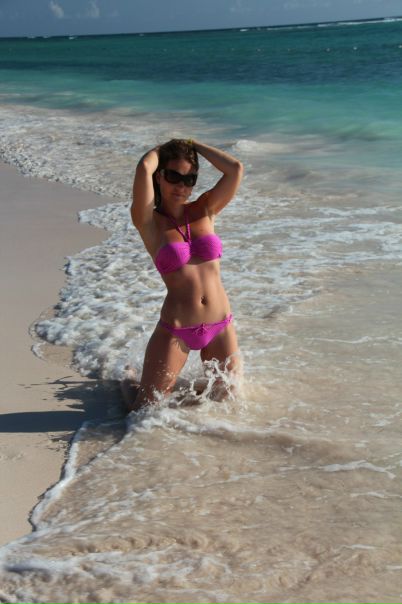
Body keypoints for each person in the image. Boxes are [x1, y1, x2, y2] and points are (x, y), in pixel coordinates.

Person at [122, 138, 243, 411]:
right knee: (144, 411)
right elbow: (144, 167)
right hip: (176, 329)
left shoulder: (205, 209)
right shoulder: (148, 221)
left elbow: (235, 169)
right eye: (174, 176)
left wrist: (194, 144)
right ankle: (129, 381)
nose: (181, 186)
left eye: (189, 179)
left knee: (228, 403)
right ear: (160, 177)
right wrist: (162, 149)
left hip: (220, 325)